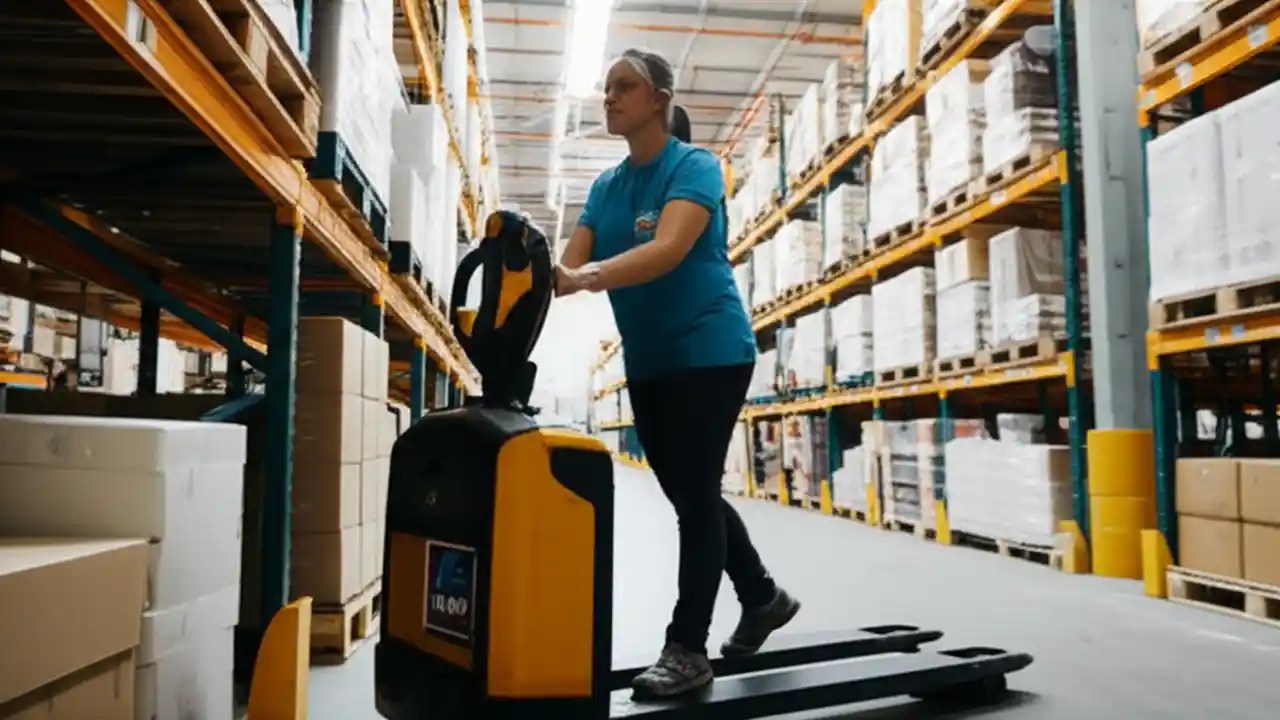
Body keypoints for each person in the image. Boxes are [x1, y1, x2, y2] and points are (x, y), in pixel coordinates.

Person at [554, 48, 800, 699]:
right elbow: (568, 261)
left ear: (660, 97)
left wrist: (584, 278)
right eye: (607, 88)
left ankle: (686, 647)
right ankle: (764, 597)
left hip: (711, 350)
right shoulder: (606, 188)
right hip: (652, 361)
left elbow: (666, 251)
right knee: (692, 494)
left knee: (693, 496)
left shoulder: (695, 167)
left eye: (624, 87)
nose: (610, 98)